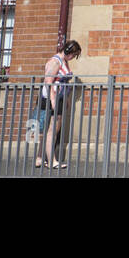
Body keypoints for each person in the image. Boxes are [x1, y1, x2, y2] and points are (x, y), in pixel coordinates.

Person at [37, 39, 80, 170]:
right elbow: (48, 81)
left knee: (50, 130)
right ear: (68, 51)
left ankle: (40, 158)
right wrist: (53, 100)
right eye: (74, 54)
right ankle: (52, 161)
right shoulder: (55, 61)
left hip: (59, 97)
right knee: (52, 130)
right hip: (52, 98)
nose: (73, 57)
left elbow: (63, 83)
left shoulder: (63, 61)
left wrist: (66, 99)